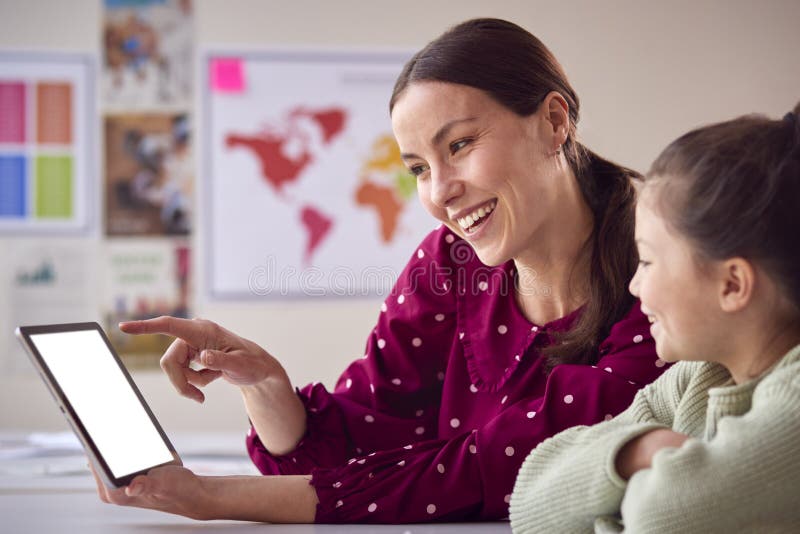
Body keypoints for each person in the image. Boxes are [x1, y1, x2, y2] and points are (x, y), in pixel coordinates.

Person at [92, 18, 665, 523]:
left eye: (461, 144)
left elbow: (496, 467)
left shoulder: (664, 274)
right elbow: (357, 440)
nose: (440, 192)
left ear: (554, 120)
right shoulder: (449, 261)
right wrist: (266, 385)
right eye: (418, 168)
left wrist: (217, 499)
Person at [509, 104, 800, 533]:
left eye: (646, 261)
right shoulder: (696, 379)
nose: (633, 286)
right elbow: (530, 504)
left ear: (733, 285)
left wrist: (604, 512)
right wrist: (640, 450)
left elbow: (658, 516)